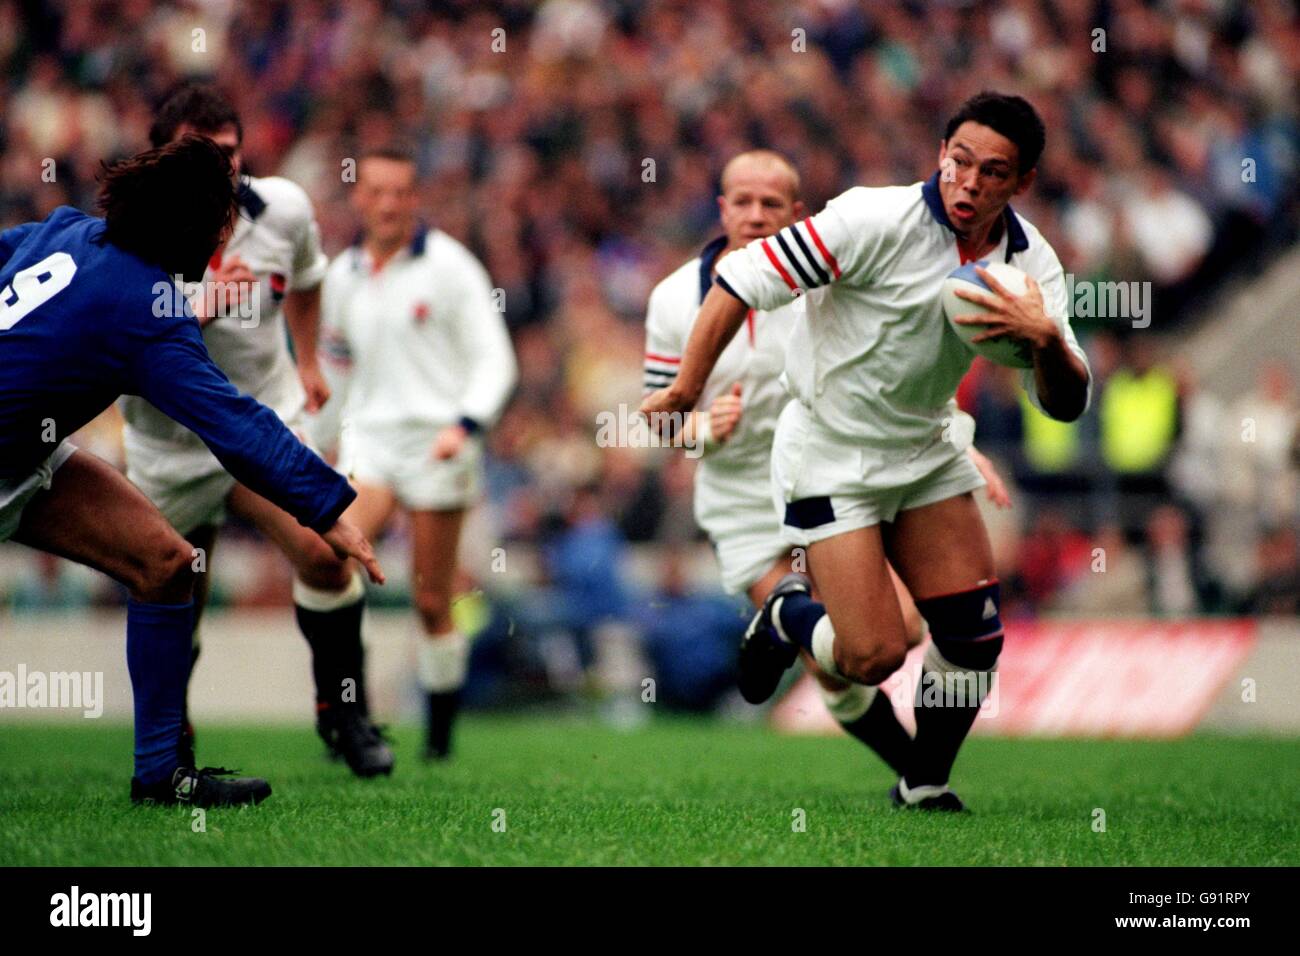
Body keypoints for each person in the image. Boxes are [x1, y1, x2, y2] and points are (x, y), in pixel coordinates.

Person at [642, 92, 1091, 810]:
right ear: (941, 154)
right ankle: (789, 616)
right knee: (872, 655)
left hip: (922, 448)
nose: (969, 183)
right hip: (831, 452)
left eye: (993, 172)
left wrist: (1043, 341)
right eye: (959, 162)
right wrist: (686, 392)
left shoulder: (1031, 263)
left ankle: (923, 783)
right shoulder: (872, 219)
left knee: (974, 638)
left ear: (1023, 182)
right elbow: (740, 278)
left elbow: (1067, 403)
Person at [0, 135, 384, 806]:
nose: (218, 250)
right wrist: (331, 508)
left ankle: (161, 776)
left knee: (165, 563)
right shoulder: (146, 310)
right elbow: (236, 425)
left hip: (23, 451)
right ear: (192, 228)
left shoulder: (69, 231)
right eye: (217, 232)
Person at [118, 84, 393, 778]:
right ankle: (170, 750)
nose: (223, 168)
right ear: (161, 157)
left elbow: (307, 277)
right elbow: (115, 345)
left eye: (231, 153)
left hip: (263, 421)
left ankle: (344, 713)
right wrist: (199, 308)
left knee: (326, 553)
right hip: (170, 446)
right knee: (173, 595)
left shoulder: (285, 211)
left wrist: (306, 360)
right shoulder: (127, 235)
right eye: (203, 154)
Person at [312, 146, 517, 760]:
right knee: (333, 563)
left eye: (399, 191)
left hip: (437, 440)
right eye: (375, 191)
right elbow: (334, 365)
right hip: (369, 440)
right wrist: (322, 437)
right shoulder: (341, 275)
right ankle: (348, 715)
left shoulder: (451, 267)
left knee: (432, 598)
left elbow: (493, 356)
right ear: (359, 197)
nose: (388, 203)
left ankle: (439, 737)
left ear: (415, 197)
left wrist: (466, 423)